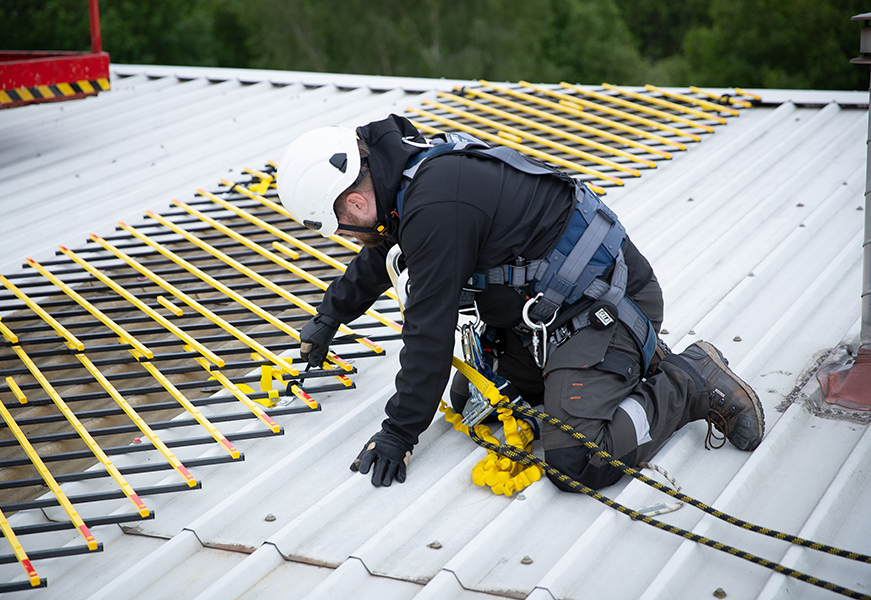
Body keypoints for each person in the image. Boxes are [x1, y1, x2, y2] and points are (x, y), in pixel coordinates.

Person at [276, 114, 764, 490]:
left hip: (604, 306)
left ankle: (688, 380)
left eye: (341, 229)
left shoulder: (435, 207)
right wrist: (330, 316)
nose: (350, 238)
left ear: (355, 204)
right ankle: (632, 363)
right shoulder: (408, 174)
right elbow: (386, 248)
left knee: (578, 459)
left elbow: (428, 330)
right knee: (481, 398)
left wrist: (399, 432)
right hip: (554, 314)